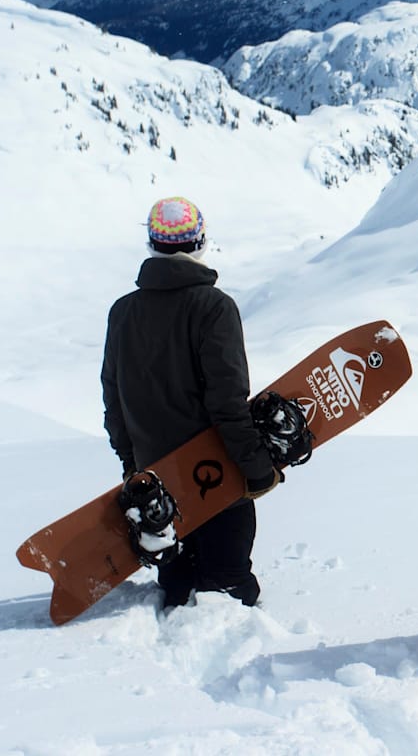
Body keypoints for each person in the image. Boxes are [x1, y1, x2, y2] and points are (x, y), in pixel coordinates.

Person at [101, 196, 280, 609]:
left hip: (159, 488)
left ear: (152, 244)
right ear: (200, 242)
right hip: (216, 477)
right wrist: (256, 468)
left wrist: (133, 467)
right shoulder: (214, 307)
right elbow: (226, 401)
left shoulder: (122, 312)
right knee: (229, 592)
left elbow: (114, 398)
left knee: (178, 588)